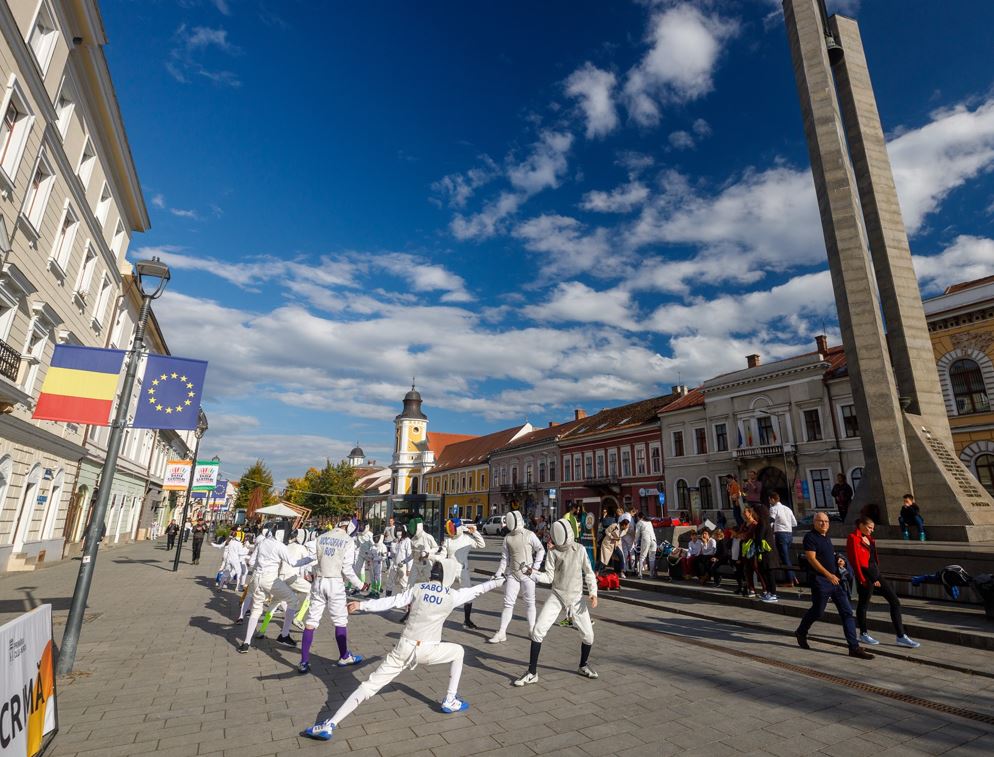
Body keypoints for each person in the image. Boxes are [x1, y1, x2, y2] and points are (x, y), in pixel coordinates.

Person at [302, 555, 504, 742]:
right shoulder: (453, 595)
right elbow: (479, 589)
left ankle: (330, 724)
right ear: (449, 576)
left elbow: (392, 601)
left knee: (368, 686)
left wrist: (362, 606)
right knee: (458, 651)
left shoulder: (418, 588)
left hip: (404, 648)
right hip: (429, 650)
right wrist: (499, 580)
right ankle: (450, 700)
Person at [514, 518, 599, 686]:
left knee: (589, 636)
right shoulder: (553, 552)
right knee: (538, 630)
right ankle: (532, 672)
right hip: (557, 596)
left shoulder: (580, 549)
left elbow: (589, 573)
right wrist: (532, 572)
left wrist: (593, 593)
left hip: (576, 598)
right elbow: (549, 577)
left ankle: (583, 665)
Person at [795, 512, 874, 659]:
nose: (824, 524)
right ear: (814, 522)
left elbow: (828, 555)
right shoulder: (810, 537)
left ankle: (854, 647)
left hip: (835, 580)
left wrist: (839, 561)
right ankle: (801, 631)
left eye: (826, 521)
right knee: (818, 611)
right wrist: (827, 574)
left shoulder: (826, 538)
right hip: (821, 580)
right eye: (821, 521)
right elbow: (812, 559)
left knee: (847, 613)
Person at [298, 516, 366, 673]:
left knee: (311, 621)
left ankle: (304, 661)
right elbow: (347, 569)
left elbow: (314, 559)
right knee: (340, 621)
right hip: (335, 582)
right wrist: (361, 585)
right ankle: (344, 656)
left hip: (319, 581)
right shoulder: (348, 541)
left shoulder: (321, 537)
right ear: (349, 527)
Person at [846, 516, 920, 648]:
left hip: (875, 574)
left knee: (895, 601)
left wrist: (876, 576)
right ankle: (863, 634)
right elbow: (855, 561)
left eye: (873, 528)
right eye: (869, 527)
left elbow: (872, 560)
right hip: (865, 577)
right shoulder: (853, 538)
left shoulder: (869, 538)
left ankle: (901, 636)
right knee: (863, 605)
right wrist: (865, 579)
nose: (871, 530)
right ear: (861, 525)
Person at [238, 531, 311, 653]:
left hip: (256, 578)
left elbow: (251, 562)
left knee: (256, 610)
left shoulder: (262, 542)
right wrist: (309, 559)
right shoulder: (280, 546)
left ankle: (246, 643)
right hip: (270, 579)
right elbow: (293, 563)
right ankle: (284, 635)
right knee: (293, 600)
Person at [488, 510, 545, 644]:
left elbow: (541, 549)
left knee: (530, 602)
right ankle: (502, 632)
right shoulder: (507, 537)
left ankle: (532, 630)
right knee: (508, 603)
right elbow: (504, 558)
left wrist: (535, 568)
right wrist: (498, 574)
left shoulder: (529, 535)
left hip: (528, 575)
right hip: (513, 574)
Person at [443, 516, 486, 629]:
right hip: (450, 569)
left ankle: (467, 620)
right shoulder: (448, 541)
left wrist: (475, 532)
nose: (450, 530)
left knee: (469, 595)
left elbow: (482, 545)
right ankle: (435, 617)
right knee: (441, 592)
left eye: (452, 528)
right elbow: (442, 556)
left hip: (463, 570)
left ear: (458, 528)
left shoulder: (467, 539)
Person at [749, 497, 780, 602]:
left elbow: (759, 538)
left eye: (753, 512)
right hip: (767, 552)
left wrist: (753, 540)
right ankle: (769, 593)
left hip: (768, 553)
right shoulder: (765, 521)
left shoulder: (762, 523)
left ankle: (773, 594)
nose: (752, 514)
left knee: (769, 574)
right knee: (765, 572)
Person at [769, 492, 798, 587]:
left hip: (780, 534)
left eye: (769, 500)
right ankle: (793, 577)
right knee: (787, 557)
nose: (769, 502)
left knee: (785, 558)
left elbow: (771, 521)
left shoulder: (773, 509)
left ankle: (790, 581)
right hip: (789, 534)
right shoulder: (788, 508)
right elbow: (794, 523)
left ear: (773, 499)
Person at [633, 511, 657, 578]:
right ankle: (651, 574)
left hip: (646, 539)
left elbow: (637, 535)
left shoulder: (639, 523)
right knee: (652, 558)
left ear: (639, 517)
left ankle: (640, 574)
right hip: (653, 539)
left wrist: (635, 542)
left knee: (642, 556)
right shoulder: (649, 522)